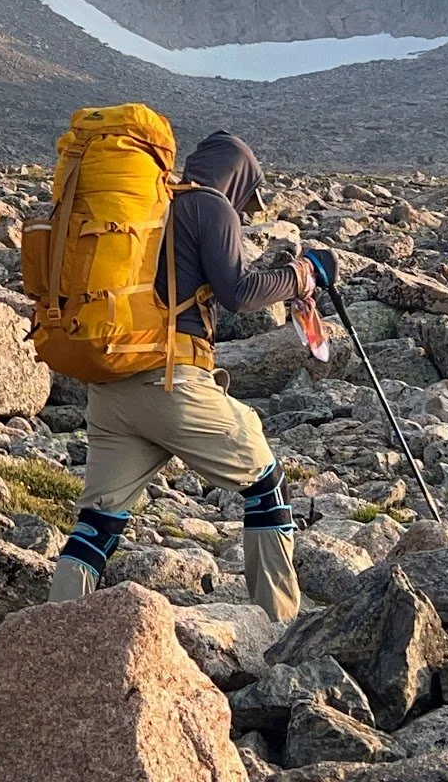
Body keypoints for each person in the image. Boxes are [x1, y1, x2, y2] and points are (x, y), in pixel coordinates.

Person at [48, 130, 328, 623]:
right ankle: (279, 629)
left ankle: (50, 636)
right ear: (239, 179)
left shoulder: (151, 207)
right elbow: (239, 291)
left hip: (111, 385)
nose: (243, 207)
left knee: (97, 523)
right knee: (265, 483)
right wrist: (303, 275)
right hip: (171, 382)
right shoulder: (210, 207)